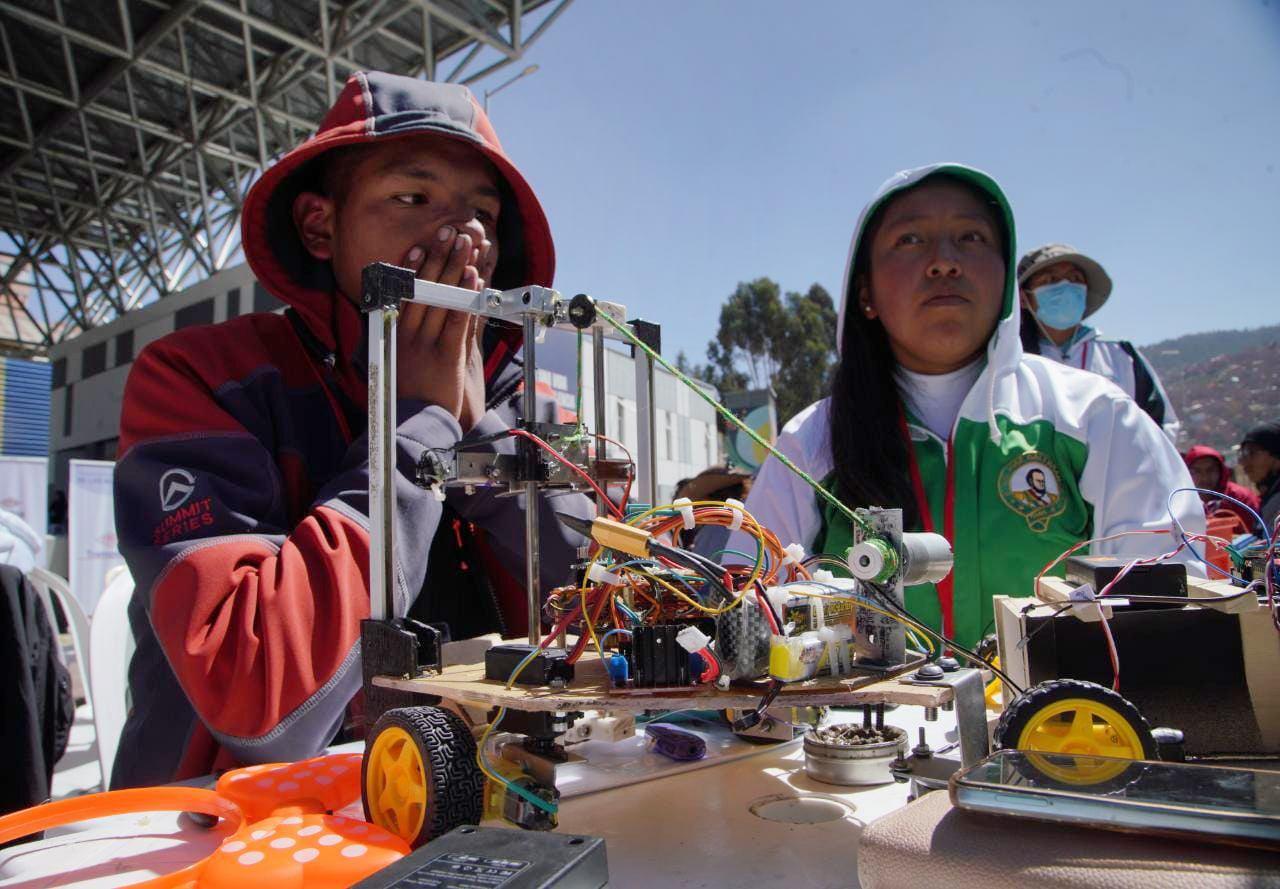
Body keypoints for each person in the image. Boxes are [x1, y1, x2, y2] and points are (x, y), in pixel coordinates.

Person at [111, 72, 592, 788]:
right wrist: (420, 429)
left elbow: (600, 604)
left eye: (482, 215)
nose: (462, 239)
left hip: (488, 792)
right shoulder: (198, 377)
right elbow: (262, 704)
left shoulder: (524, 390)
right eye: (413, 198)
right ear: (319, 225)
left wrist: (477, 439)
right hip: (233, 829)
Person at [731, 164, 1202, 651]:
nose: (944, 263)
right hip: (861, 729)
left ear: (1006, 284)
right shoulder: (810, 443)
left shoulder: (1097, 418)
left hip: (1060, 724)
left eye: (971, 237)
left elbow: (1165, 607)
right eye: (910, 239)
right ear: (865, 292)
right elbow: (744, 607)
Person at [1016, 244, 1180, 445]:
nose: (1066, 286)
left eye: (1075, 279)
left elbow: (1161, 425)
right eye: (1050, 280)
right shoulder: (1010, 359)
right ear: (1024, 298)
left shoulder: (1121, 355)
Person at [1184, 445, 1261, 532]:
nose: (1205, 477)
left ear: (1221, 471)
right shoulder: (1183, 503)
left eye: (1211, 470)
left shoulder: (1240, 498)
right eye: (1197, 471)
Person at [1240, 421, 1280, 535]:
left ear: (1276, 455)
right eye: (1242, 454)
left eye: (1251, 453)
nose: (1243, 462)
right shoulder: (1270, 496)